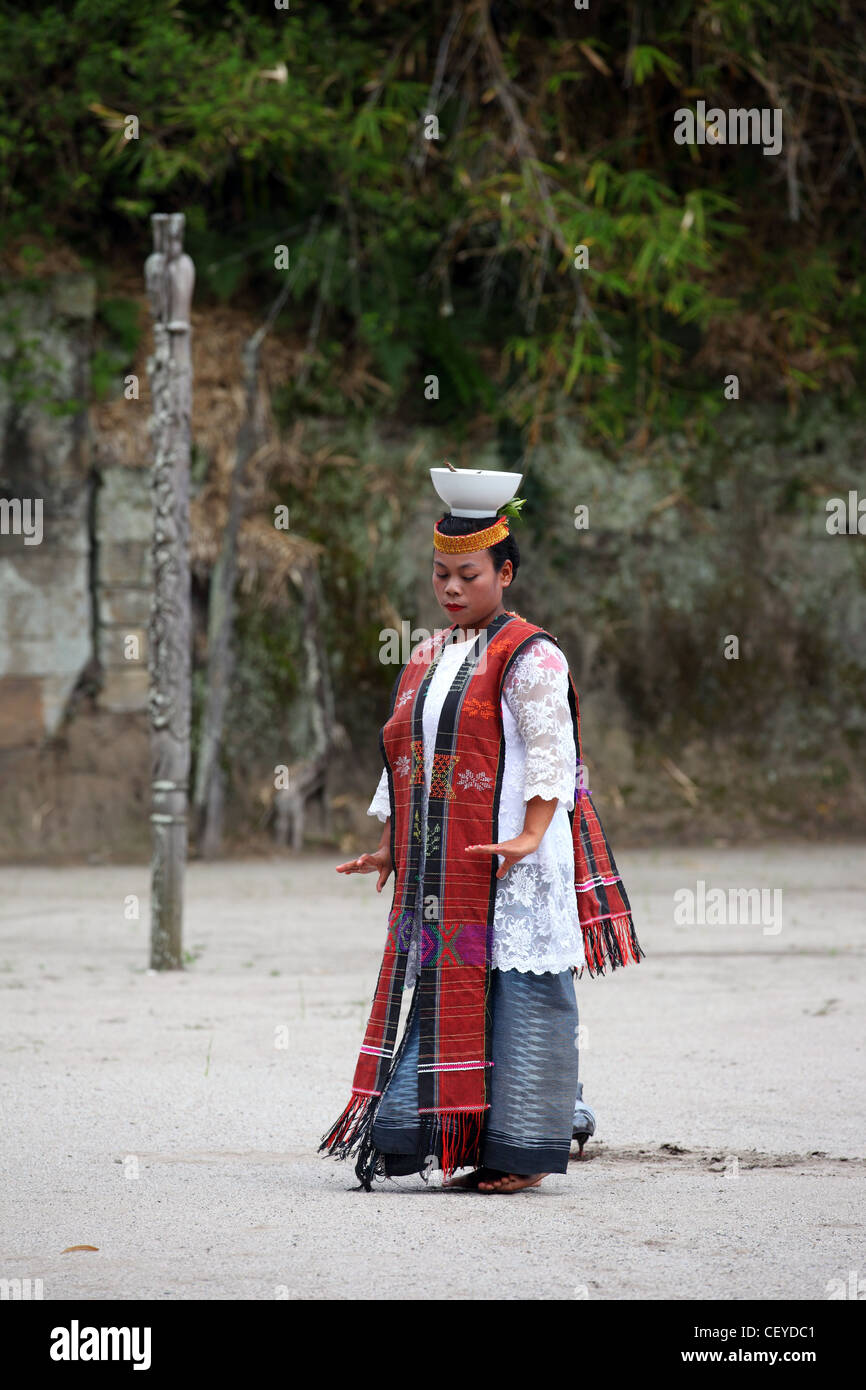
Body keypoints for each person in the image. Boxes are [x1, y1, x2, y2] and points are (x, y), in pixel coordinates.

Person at [319, 469, 643, 1193]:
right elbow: (408, 756)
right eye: (441, 574)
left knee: (524, 996)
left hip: (516, 861)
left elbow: (553, 754)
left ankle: (523, 1150)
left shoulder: (532, 654)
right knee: (454, 990)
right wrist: (390, 846)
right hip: (451, 867)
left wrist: (530, 837)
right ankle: (463, 1136)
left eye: (468, 574)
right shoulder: (428, 654)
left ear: (506, 572)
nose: (451, 589)